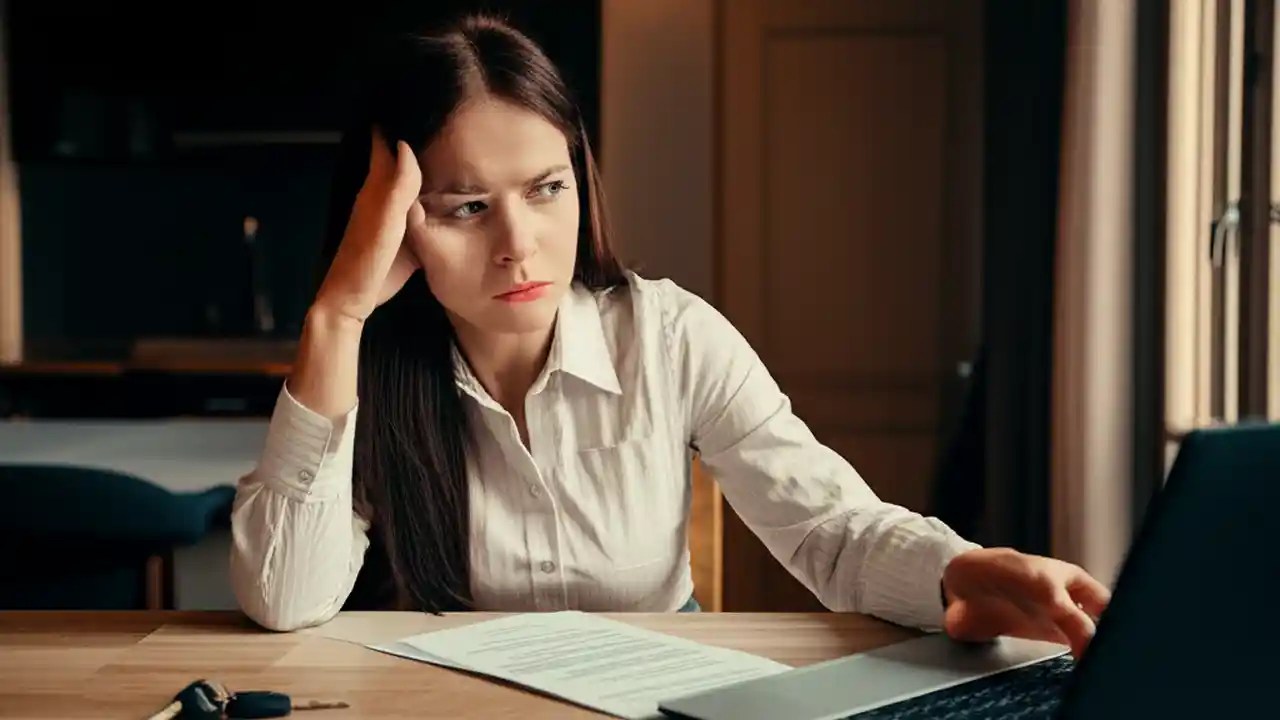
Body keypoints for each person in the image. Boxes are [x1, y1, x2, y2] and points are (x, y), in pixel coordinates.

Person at [228, 12, 1111, 659]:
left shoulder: (670, 335)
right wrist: (337, 316)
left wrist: (966, 569)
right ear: (388, 222)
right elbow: (285, 600)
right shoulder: (363, 369)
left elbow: (831, 531)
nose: (519, 245)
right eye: (466, 207)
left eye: (546, 188)